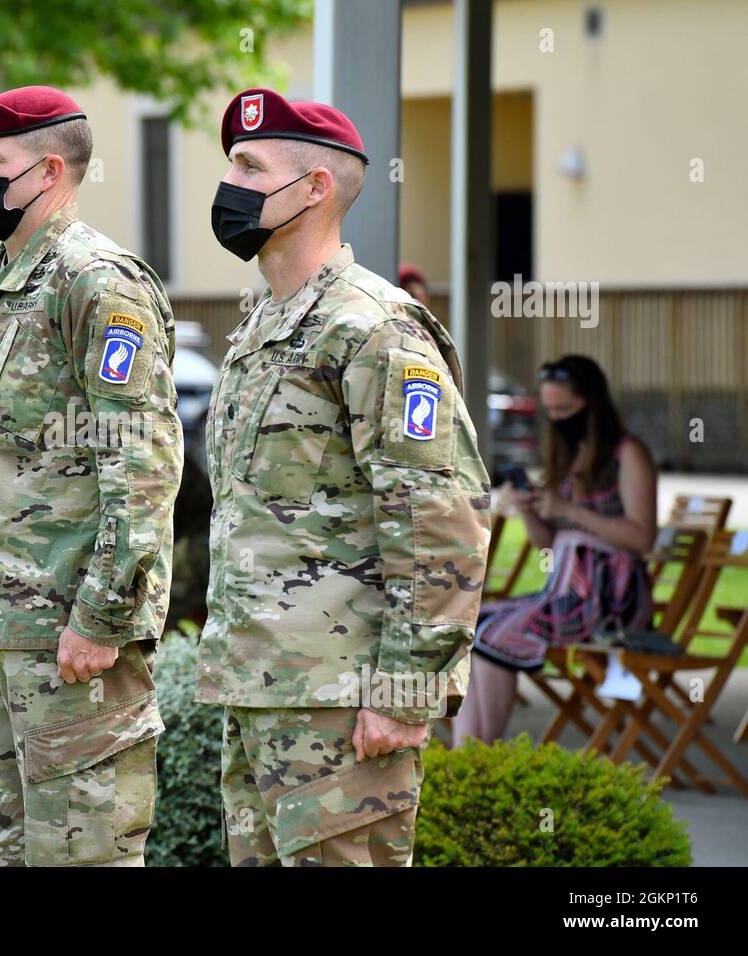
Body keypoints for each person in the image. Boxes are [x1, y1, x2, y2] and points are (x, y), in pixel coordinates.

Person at [195, 88, 491, 867]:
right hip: (260, 686)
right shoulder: (266, 323)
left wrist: (405, 692)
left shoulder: (373, 328)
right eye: (231, 165)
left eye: (250, 167)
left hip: (343, 699)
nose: (230, 187)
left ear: (316, 188)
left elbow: (439, 518)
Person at [0, 86, 183, 867]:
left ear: (48, 170)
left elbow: (140, 462)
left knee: (87, 852)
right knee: (10, 849)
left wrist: (103, 613)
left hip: (71, 630)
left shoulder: (97, 280)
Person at [454, 354, 656, 743]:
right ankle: (466, 752)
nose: (558, 418)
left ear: (591, 405)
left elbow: (642, 538)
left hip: (611, 600)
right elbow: (546, 543)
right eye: (550, 410)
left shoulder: (626, 454)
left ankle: (485, 753)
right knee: (470, 624)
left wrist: (569, 510)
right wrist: (530, 511)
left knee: (497, 635)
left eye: (566, 408)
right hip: (565, 591)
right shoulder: (566, 455)